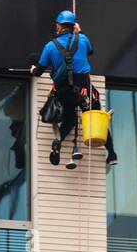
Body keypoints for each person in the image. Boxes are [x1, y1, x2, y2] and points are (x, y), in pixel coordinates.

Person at [29, 9, 117, 170]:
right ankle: (111, 154)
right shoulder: (82, 39)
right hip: (84, 90)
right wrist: (80, 31)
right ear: (72, 25)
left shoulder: (50, 46)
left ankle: (58, 142)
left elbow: (39, 72)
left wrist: (32, 69)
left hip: (64, 92)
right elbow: (91, 51)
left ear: (59, 26)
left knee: (69, 119)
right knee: (96, 116)